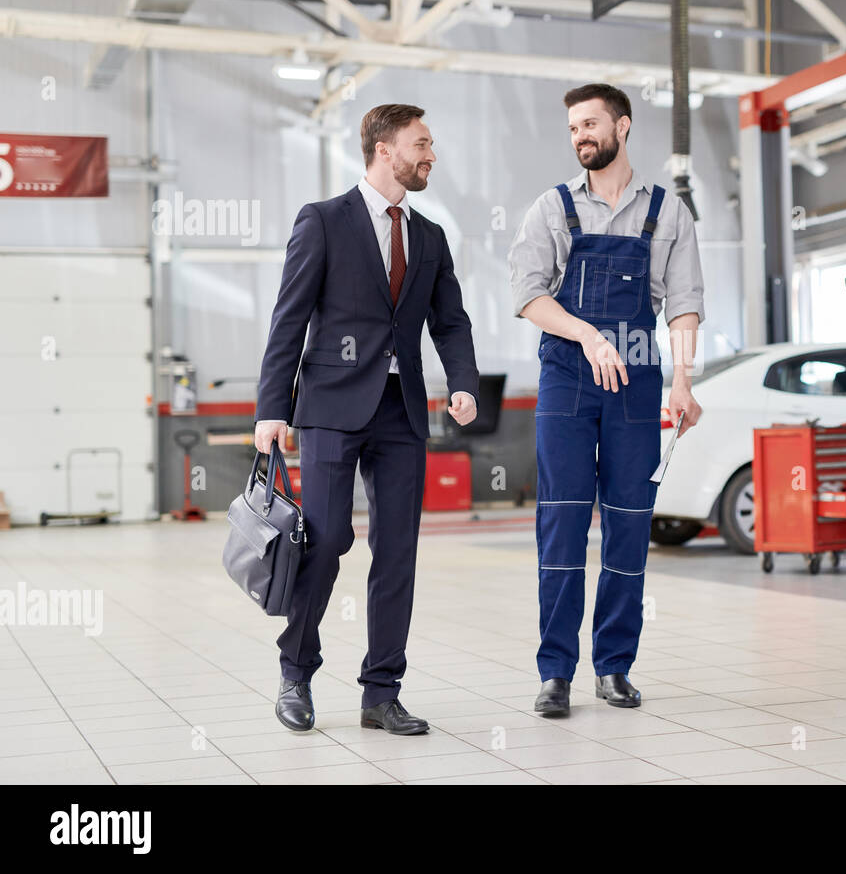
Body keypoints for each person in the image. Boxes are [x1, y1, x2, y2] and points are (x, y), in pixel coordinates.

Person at [253, 104, 480, 735]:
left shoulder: (429, 236)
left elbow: (451, 321)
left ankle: (382, 690)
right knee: (324, 540)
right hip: (329, 408)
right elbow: (288, 318)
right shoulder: (324, 221)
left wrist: (462, 382)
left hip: (401, 411)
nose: (431, 154)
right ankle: (295, 669)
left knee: (398, 553)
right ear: (385, 149)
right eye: (421, 143)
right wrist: (272, 408)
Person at [509, 83, 704, 716]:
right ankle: (556, 673)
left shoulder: (668, 211)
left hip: (640, 379)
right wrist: (587, 333)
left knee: (629, 524)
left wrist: (683, 378)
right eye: (572, 128)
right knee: (562, 523)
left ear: (622, 127)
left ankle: (614, 666)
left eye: (590, 124)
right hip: (568, 375)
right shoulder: (551, 206)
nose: (580, 136)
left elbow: (683, 302)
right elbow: (529, 295)